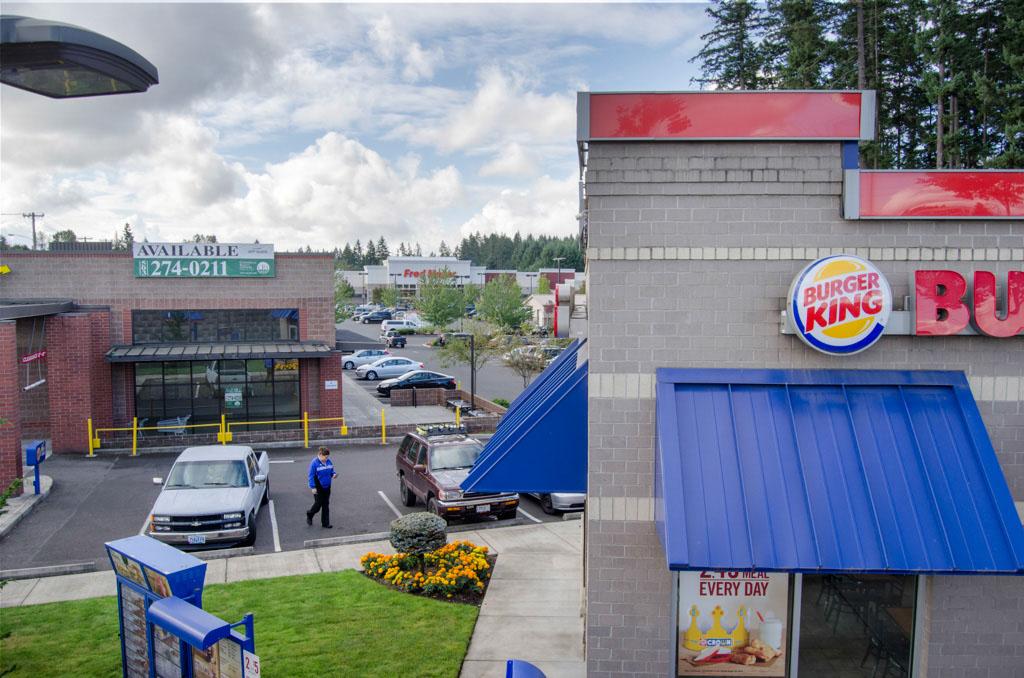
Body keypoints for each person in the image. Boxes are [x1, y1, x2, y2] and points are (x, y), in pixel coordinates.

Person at [306, 446, 337, 528]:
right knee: (318, 505)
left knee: (326, 505)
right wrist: (313, 487)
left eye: (327, 457)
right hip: (318, 487)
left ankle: (325, 523)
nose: (326, 459)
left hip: (327, 486)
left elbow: (331, 470)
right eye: (325, 457)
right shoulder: (314, 463)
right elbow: (311, 476)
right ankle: (310, 514)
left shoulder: (329, 461)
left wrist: (333, 474)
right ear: (320, 454)